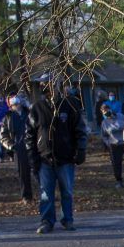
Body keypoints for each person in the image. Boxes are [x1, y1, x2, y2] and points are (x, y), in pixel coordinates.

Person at [26, 76, 88, 233]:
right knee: (46, 193)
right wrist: (33, 158)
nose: (48, 89)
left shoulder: (70, 105)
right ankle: (47, 221)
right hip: (44, 158)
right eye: (44, 85)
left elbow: (80, 130)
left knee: (66, 191)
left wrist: (81, 149)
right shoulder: (37, 108)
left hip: (65, 158)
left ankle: (68, 219)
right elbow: (30, 135)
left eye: (51, 85)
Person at [0, 94, 34, 203]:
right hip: (19, 148)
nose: (16, 104)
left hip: (32, 146)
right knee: (23, 173)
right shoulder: (8, 117)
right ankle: (26, 196)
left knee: (39, 171)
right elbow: (3, 135)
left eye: (17, 101)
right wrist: (11, 145)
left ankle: (45, 194)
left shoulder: (29, 114)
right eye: (13, 102)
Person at [100, 102, 124, 188]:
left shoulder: (120, 116)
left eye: (106, 110)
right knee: (116, 164)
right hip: (114, 145)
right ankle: (119, 181)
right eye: (103, 111)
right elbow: (104, 136)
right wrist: (108, 143)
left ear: (110, 109)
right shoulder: (104, 123)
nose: (105, 112)